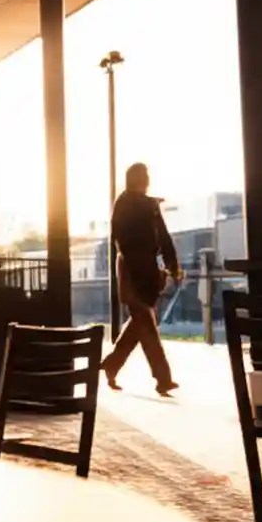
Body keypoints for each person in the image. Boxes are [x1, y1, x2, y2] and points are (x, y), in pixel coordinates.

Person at [101, 163, 182, 396]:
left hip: (143, 270)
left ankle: (112, 364)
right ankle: (163, 378)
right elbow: (124, 240)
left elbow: (163, 238)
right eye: (145, 176)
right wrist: (168, 266)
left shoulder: (147, 205)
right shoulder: (130, 204)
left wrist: (172, 265)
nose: (147, 180)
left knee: (139, 324)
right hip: (133, 271)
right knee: (146, 323)